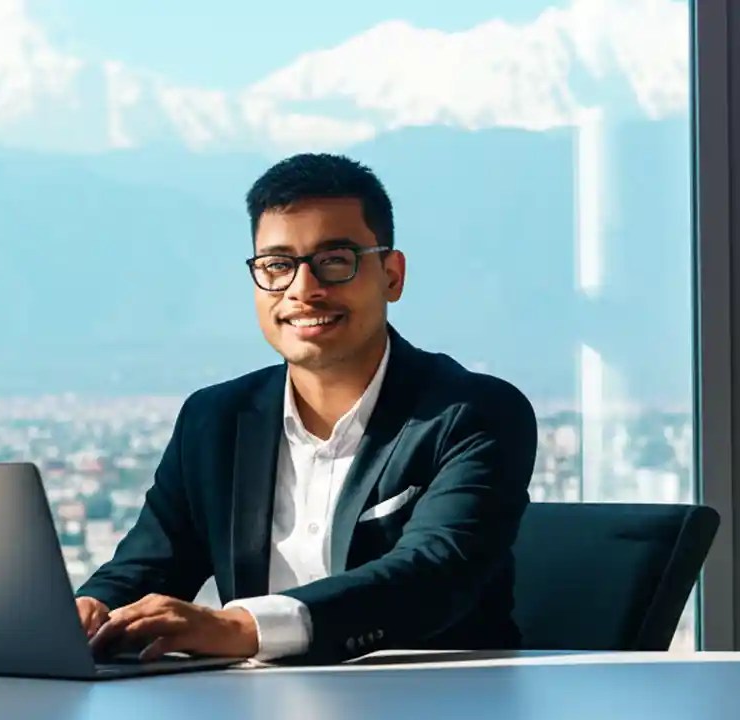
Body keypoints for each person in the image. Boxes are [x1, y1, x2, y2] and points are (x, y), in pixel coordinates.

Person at [76, 153, 538, 665]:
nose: (303, 289)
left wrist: (244, 627)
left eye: (334, 261)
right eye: (277, 265)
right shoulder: (215, 420)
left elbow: (432, 575)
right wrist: (91, 610)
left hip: (432, 704)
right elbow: (148, 566)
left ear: (391, 275)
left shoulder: (474, 413)